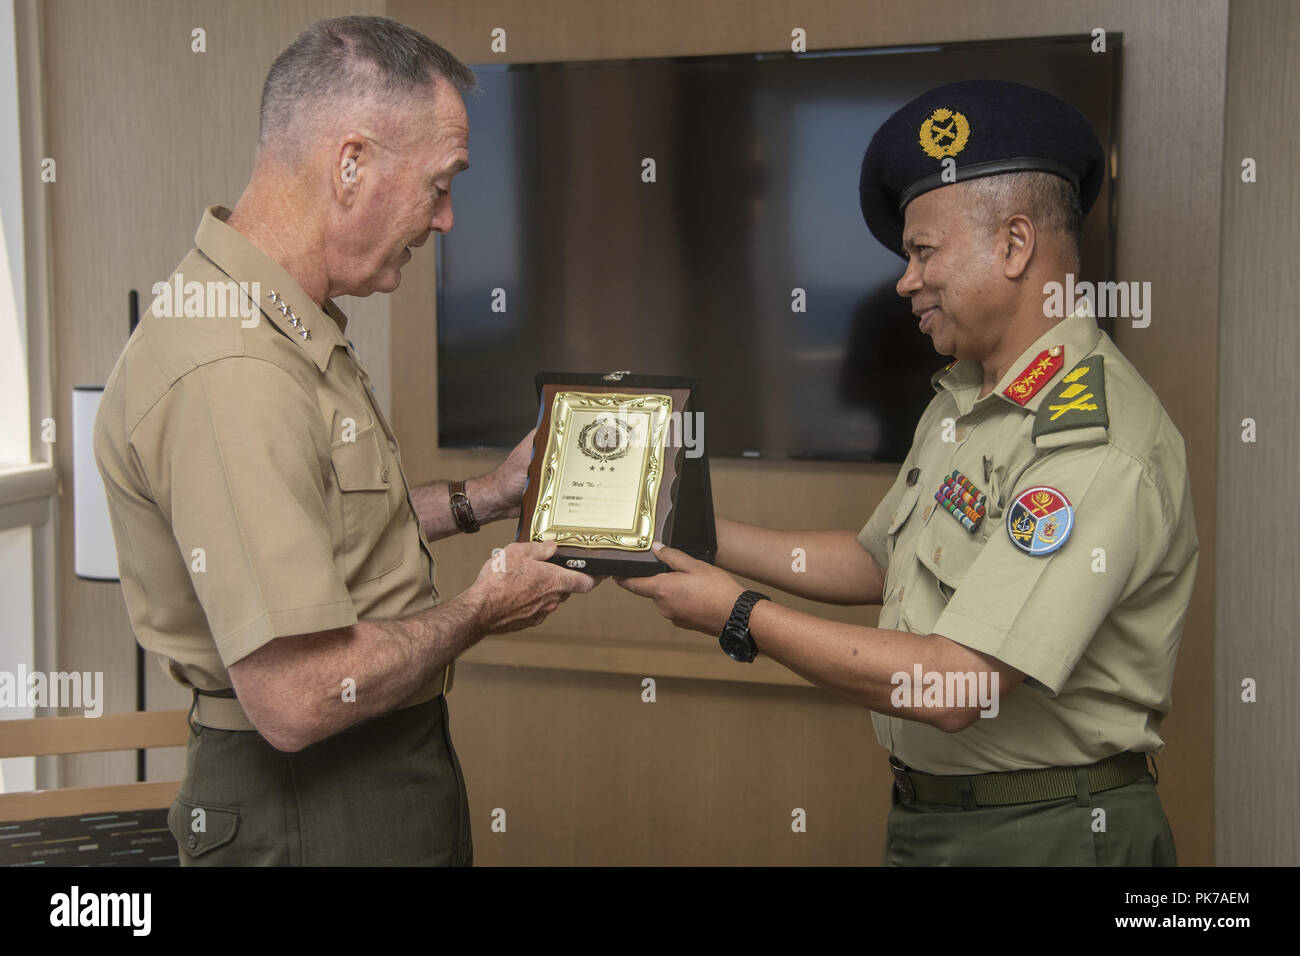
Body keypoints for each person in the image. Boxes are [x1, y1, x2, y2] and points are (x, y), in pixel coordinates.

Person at [618, 80, 1197, 866]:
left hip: (1052, 834)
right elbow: (876, 560)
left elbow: (959, 686)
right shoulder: (968, 395)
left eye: (923, 253)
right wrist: (680, 526)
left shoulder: (1089, 440)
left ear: (1015, 245)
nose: (904, 280)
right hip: (942, 822)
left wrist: (738, 615)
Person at [93, 16, 595, 866]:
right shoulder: (233, 367)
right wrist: (480, 609)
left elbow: (328, 529)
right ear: (350, 164)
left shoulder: (281, 321)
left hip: (367, 784)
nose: (444, 220)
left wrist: (488, 497)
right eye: (439, 185)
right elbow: (295, 697)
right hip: (314, 804)